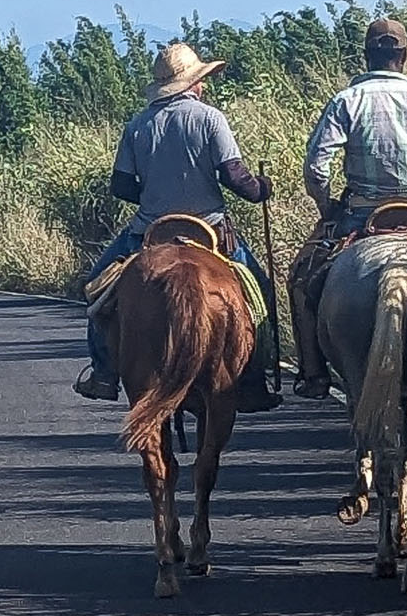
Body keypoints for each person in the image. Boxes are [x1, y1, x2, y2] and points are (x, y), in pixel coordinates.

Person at [73, 40, 281, 411]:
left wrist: (156, 195)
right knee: (259, 292)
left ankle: (104, 372)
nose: (203, 86)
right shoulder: (210, 118)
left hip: (150, 230)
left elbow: (121, 185)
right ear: (192, 84)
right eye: (200, 79)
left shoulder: (138, 125)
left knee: (99, 292)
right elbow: (234, 176)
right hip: (211, 230)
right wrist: (261, 189)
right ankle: (252, 377)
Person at [290, 16, 407, 400]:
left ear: (365, 57)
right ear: (406, 56)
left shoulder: (347, 101)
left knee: (302, 279)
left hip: (363, 213)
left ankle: (314, 372)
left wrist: (327, 206)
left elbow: (317, 168)